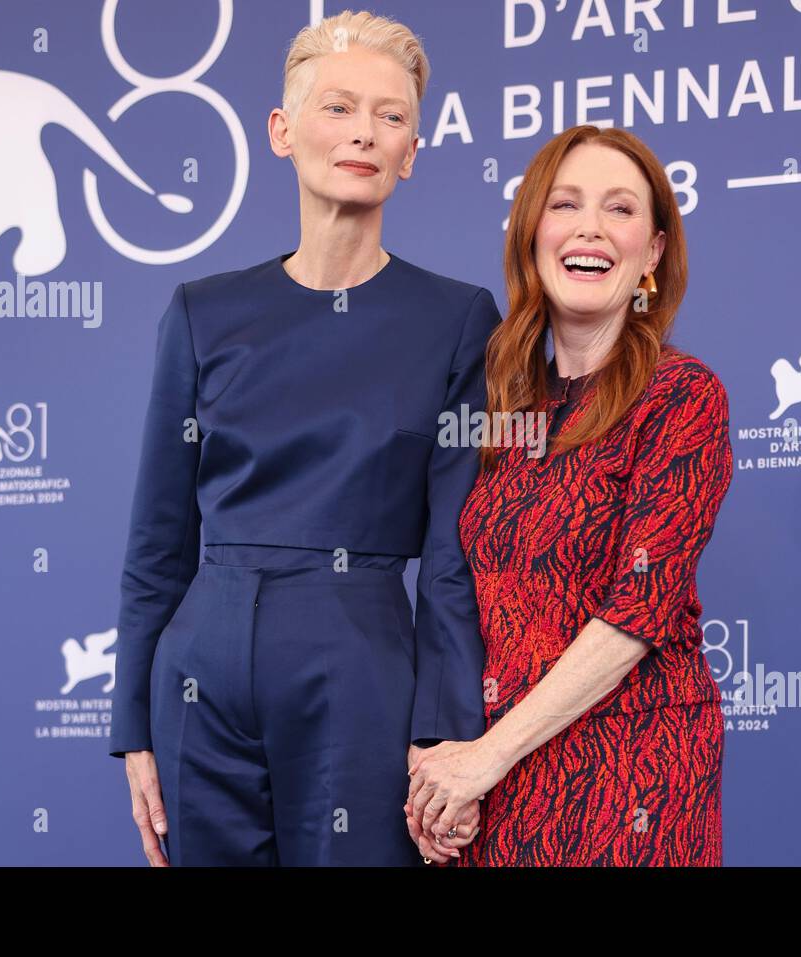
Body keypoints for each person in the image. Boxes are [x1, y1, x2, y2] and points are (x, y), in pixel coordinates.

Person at [111, 10, 498, 866]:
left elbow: (452, 554)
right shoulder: (202, 311)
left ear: (411, 151)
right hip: (199, 671)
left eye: (391, 116)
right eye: (339, 107)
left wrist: (445, 731)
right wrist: (134, 724)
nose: (365, 131)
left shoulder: (459, 320)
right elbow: (158, 541)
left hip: (361, 665)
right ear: (282, 133)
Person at [405, 125, 734, 865]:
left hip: (632, 781)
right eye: (566, 204)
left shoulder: (681, 397)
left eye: (620, 209)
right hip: (494, 789)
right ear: (531, 236)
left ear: (652, 253)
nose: (591, 226)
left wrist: (484, 757)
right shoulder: (498, 412)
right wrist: (442, 769)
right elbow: (452, 592)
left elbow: (636, 611)